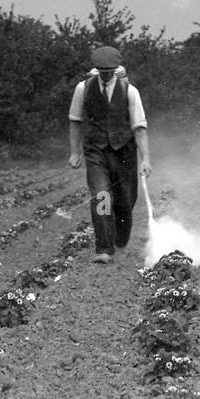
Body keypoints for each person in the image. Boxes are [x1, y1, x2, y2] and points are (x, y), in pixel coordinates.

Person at [68, 45, 151, 263]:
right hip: (96, 151)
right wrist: (75, 152)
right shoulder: (83, 88)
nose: (105, 74)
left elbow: (139, 127)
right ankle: (104, 248)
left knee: (125, 202)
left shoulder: (130, 91)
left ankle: (120, 241)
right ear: (96, 69)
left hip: (124, 152)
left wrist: (146, 159)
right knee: (101, 195)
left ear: (116, 69)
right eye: (101, 71)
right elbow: (75, 121)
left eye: (109, 71)